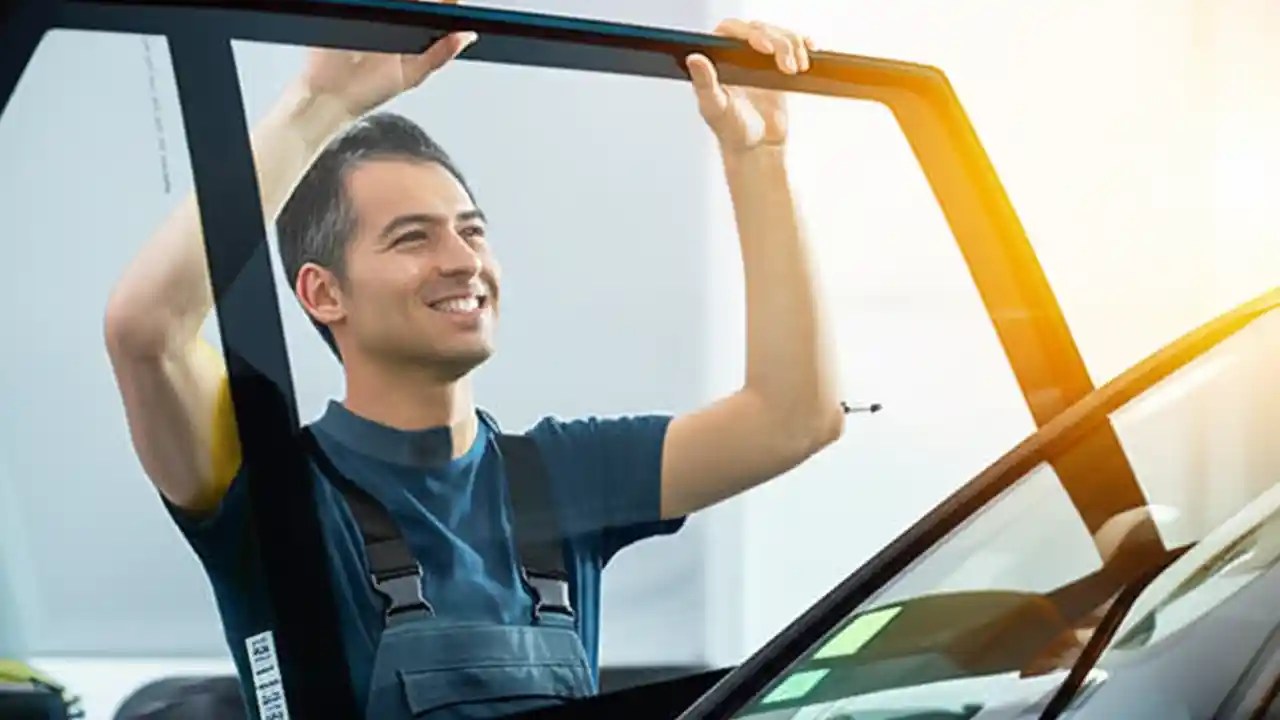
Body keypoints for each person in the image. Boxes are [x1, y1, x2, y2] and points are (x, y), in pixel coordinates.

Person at [102, 1, 844, 717]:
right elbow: (146, 331)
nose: (463, 261)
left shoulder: (561, 474)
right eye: (413, 238)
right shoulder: (275, 490)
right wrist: (319, 104)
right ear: (323, 293)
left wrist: (758, 157)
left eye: (472, 230)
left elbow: (793, 417)